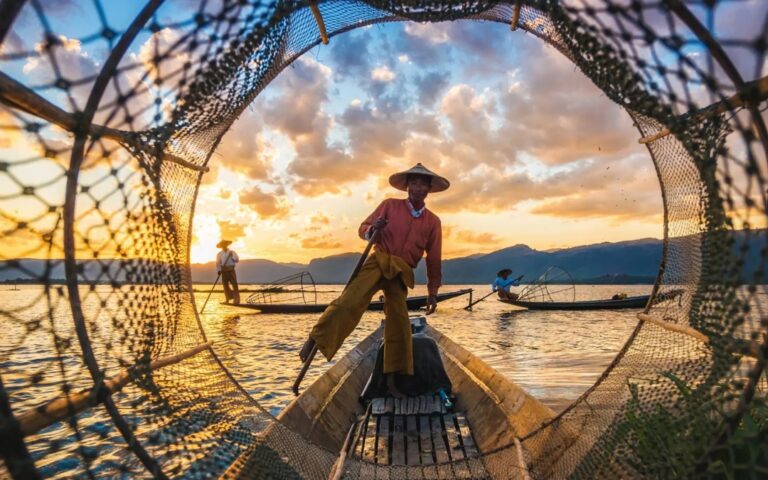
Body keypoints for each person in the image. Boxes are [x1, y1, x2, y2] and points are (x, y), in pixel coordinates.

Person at [299, 163, 448, 390]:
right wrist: (372, 229)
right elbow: (363, 228)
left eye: (422, 184)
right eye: (413, 183)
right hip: (378, 261)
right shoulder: (389, 205)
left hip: (400, 271)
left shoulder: (433, 222)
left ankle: (393, 381)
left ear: (428, 189)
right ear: (407, 186)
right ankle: (316, 337)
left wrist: (432, 293)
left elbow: (433, 259)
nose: (417, 188)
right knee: (350, 301)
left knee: (399, 325)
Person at [216, 240, 240, 304]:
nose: (224, 246)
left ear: (227, 245)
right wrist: (218, 270)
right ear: (221, 246)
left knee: (234, 284)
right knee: (225, 285)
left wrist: (232, 256)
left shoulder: (232, 252)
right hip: (223, 270)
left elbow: (237, 260)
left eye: (225, 244)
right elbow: (218, 263)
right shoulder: (219, 254)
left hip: (231, 270)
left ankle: (236, 300)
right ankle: (228, 299)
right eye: (222, 245)